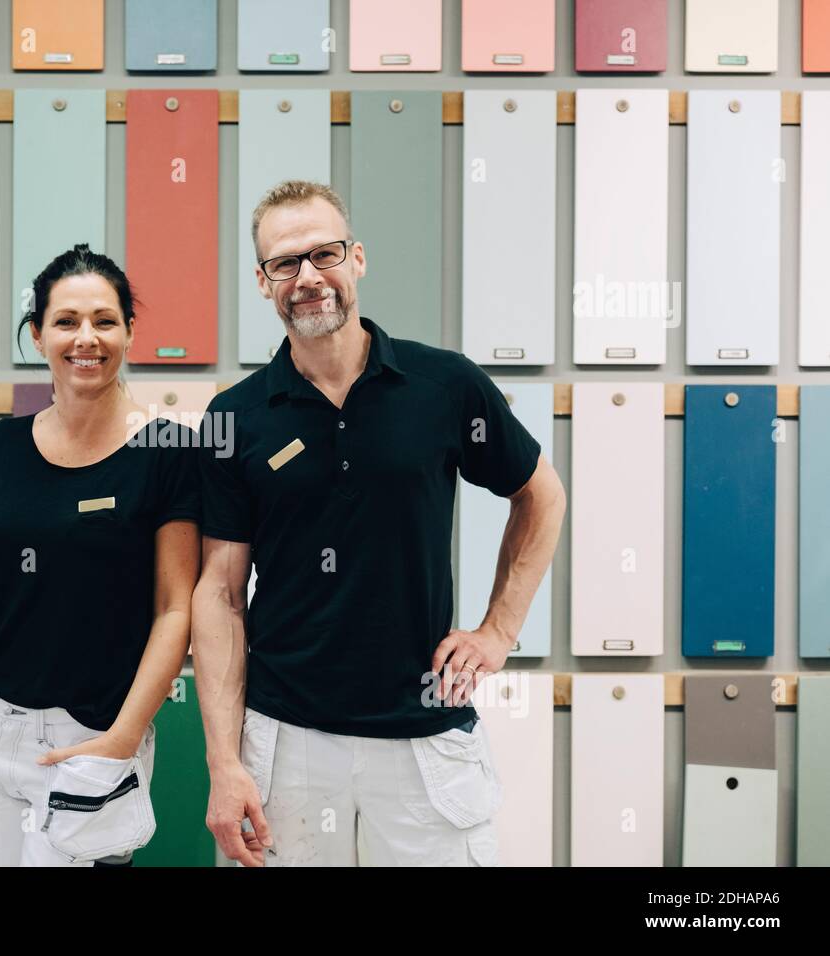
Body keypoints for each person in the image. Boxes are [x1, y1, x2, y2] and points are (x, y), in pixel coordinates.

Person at [192, 181, 567, 867]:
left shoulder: (446, 385)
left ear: (356, 259)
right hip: (286, 740)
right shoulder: (234, 418)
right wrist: (222, 761)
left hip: (424, 732)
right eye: (285, 263)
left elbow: (541, 495)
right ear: (262, 281)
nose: (308, 277)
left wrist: (498, 631)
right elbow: (219, 592)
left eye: (324, 254)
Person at [0, 244, 200, 866]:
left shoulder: (168, 452)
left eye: (104, 320)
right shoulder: (1, 445)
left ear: (130, 331)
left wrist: (123, 738)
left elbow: (174, 610)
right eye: (67, 321)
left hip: (88, 736)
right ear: (38, 334)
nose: (86, 338)